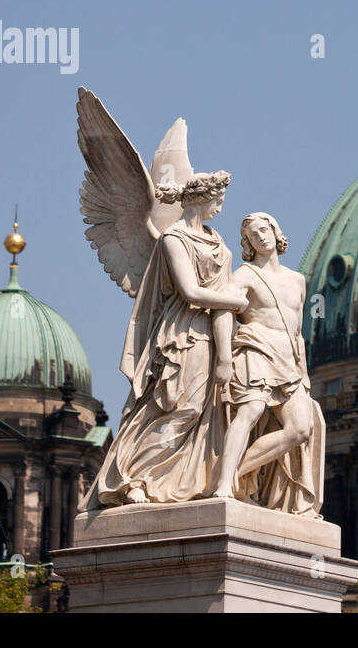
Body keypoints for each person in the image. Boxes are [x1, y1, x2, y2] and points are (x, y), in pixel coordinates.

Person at [82, 172, 248, 508]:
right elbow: (189, 292)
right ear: (201, 198)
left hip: (216, 332)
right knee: (178, 407)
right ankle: (135, 477)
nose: (219, 208)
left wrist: (227, 350)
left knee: (206, 412)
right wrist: (238, 302)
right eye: (217, 201)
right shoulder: (173, 238)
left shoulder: (218, 241)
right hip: (184, 332)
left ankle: (181, 481)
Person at [210, 212, 324, 516]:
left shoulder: (297, 280)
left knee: (300, 429)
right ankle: (223, 484)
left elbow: (297, 331)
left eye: (264, 230)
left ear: (275, 231)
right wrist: (223, 357)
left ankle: (236, 473)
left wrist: (303, 372)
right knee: (250, 411)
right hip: (256, 348)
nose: (260, 237)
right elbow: (222, 310)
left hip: (289, 360)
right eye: (252, 235)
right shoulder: (245, 274)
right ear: (247, 243)